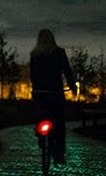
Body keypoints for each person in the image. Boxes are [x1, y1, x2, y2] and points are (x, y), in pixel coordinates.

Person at [30, 28, 75, 165]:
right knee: (59, 122)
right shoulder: (59, 52)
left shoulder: (34, 54)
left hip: (39, 92)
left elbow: (32, 74)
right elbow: (67, 71)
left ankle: (40, 136)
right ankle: (59, 155)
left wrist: (36, 87)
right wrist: (72, 86)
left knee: (39, 114)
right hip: (55, 92)